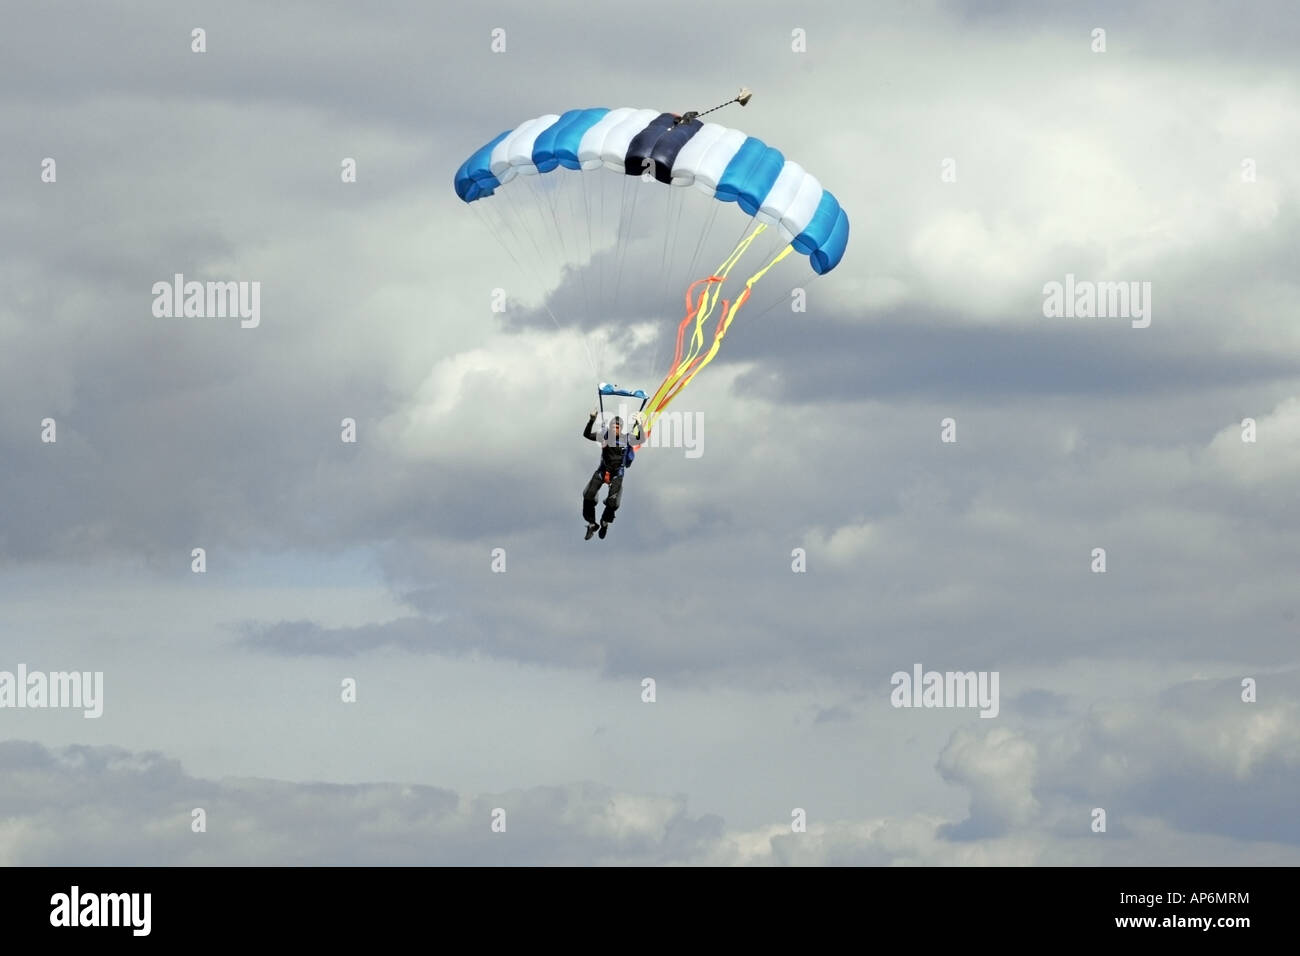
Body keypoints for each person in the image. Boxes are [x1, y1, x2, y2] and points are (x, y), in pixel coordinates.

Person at [581, 410, 644, 539]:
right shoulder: (604, 435)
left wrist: (639, 424)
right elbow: (586, 434)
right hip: (602, 471)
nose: (615, 429)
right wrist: (592, 419)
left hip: (617, 473)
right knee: (588, 495)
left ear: (620, 429)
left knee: (613, 502)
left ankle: (605, 522)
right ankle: (592, 524)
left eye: (617, 427)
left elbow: (641, 438)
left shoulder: (626, 438)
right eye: (613, 426)